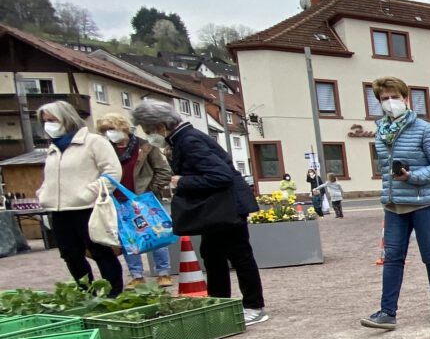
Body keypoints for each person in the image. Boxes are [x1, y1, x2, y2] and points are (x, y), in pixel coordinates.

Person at [132, 100, 267, 323]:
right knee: (213, 256)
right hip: (219, 208)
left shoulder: (189, 141)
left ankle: (253, 306)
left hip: (227, 207)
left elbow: (220, 176)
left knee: (238, 256)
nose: (148, 136)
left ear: (161, 126)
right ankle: (220, 303)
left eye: (148, 131)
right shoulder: (184, 139)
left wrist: (182, 181)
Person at [362, 76, 430, 329]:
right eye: (385, 98)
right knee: (392, 257)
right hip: (394, 204)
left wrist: (412, 176)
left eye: (395, 97)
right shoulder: (381, 132)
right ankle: (387, 312)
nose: (390, 102)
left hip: (425, 202)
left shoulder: (424, 129)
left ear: (405, 98)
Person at [38, 101, 124, 295]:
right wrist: (43, 193)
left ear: (66, 118)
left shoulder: (93, 142)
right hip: (59, 210)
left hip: (88, 208)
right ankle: (86, 292)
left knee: (100, 251)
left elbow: (112, 172)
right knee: (70, 254)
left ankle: (114, 293)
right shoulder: (53, 148)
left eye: (52, 119)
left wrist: (91, 191)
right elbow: (49, 178)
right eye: (45, 121)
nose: (48, 124)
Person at [95, 111, 174, 287]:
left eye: (111, 129)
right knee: (128, 238)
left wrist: (150, 191)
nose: (108, 133)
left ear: (123, 128)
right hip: (118, 200)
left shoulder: (145, 146)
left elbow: (163, 171)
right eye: (104, 130)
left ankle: (163, 273)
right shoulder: (105, 150)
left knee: (156, 234)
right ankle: (136, 275)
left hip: (144, 199)